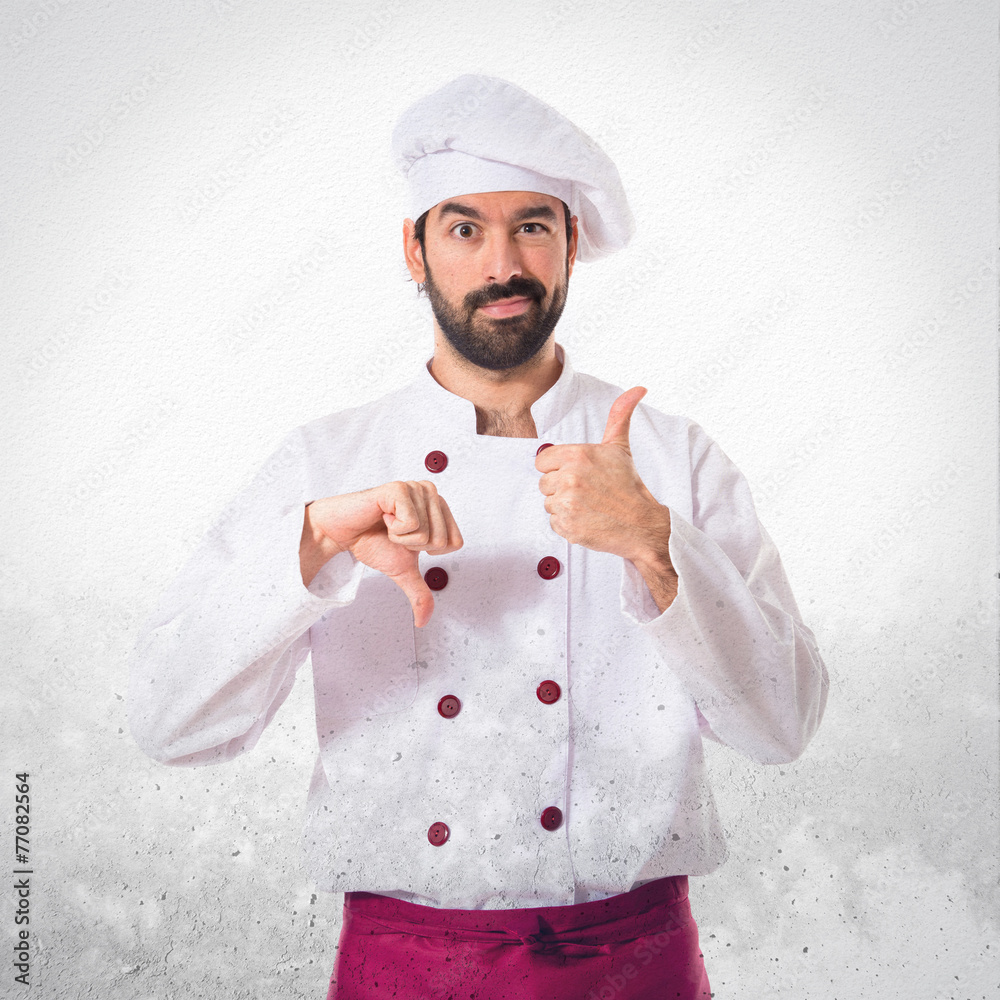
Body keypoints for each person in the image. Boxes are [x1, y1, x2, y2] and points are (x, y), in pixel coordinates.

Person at [128, 74, 829, 999]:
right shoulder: (327, 462)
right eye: (463, 229)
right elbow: (171, 727)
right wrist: (310, 550)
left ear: (572, 245)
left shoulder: (672, 455)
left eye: (532, 226)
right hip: (406, 966)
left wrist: (658, 549)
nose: (502, 263)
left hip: (635, 961)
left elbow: (783, 728)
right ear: (413, 252)